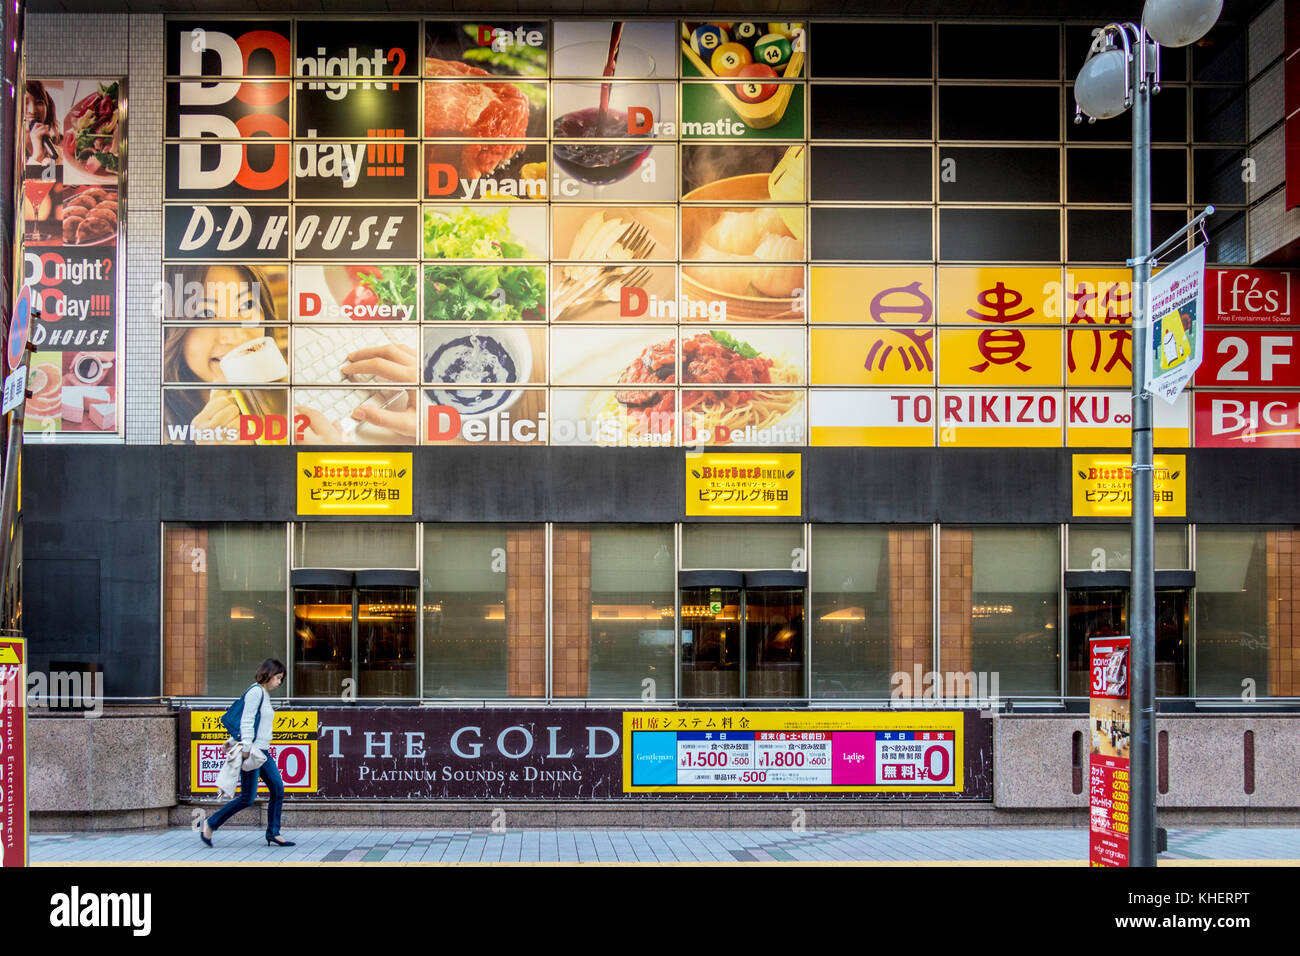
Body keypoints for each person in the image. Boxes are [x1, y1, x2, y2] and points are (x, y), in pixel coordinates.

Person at [162, 264, 287, 444]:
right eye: (205, 314)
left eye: (246, 305)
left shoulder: (296, 385)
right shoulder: (155, 432)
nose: (236, 335)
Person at [200, 659, 296, 848]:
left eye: (281, 679)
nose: (279, 682)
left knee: (277, 789)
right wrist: (244, 749)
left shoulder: (263, 694)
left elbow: (254, 723)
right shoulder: (256, 692)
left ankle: (273, 833)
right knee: (247, 797)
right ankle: (211, 824)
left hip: (262, 753)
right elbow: (246, 720)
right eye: (278, 678)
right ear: (268, 674)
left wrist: (231, 741)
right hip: (253, 753)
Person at [24, 80, 60, 166]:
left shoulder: (58, 152)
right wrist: (37, 156)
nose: (32, 110)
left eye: (39, 103)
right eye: (25, 102)